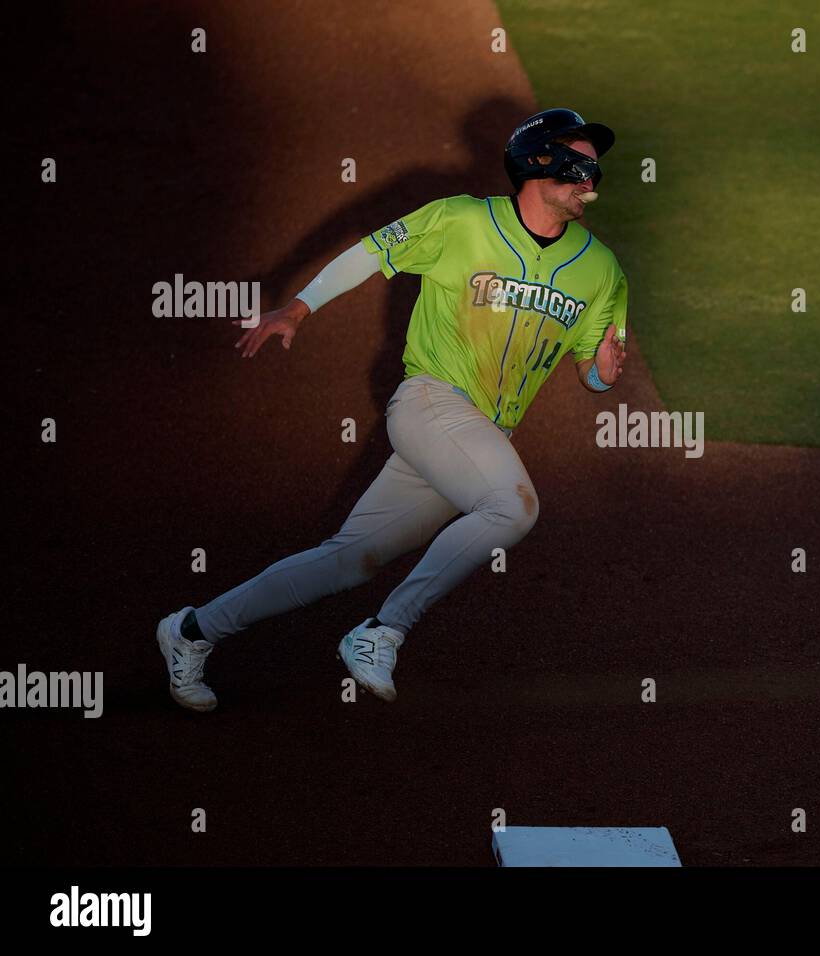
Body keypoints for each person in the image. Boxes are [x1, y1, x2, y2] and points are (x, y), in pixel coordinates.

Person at [156, 108, 628, 712]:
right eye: (581, 165)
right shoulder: (460, 219)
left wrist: (602, 376)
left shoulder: (601, 270)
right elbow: (373, 253)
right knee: (513, 507)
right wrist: (298, 308)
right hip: (430, 401)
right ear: (540, 163)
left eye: (596, 167)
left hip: (475, 438)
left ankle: (192, 630)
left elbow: (592, 367)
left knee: (350, 559)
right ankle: (384, 629)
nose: (593, 178)